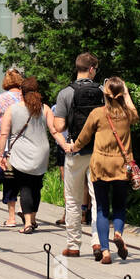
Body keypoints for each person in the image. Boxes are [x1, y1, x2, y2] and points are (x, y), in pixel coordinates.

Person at [66, 76, 138, 265]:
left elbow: (83, 137)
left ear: (104, 94)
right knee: (120, 206)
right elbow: (135, 114)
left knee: (103, 209)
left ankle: (105, 252)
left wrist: (74, 148)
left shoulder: (98, 113)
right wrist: (126, 92)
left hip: (100, 165)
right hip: (121, 166)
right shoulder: (127, 114)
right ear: (122, 94)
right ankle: (118, 233)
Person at [53, 53, 104, 260]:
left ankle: (73, 245)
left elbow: (59, 126)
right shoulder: (102, 91)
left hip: (74, 150)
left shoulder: (66, 93)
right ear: (91, 69)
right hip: (98, 151)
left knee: (73, 200)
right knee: (97, 198)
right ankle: (98, 242)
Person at [0, 76, 56, 233]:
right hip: (42, 153)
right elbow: (54, 130)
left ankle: (28, 223)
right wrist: (66, 145)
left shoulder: (13, 109)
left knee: (25, 187)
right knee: (36, 186)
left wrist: (1, 154)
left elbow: (4, 134)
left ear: (21, 92)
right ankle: (34, 218)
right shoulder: (45, 109)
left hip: (21, 154)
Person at [0, 68, 25, 228]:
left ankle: (11, 218)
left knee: (10, 180)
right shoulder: (26, 98)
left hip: (4, 142)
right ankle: (26, 211)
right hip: (24, 142)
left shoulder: (0, 98)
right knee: (26, 179)